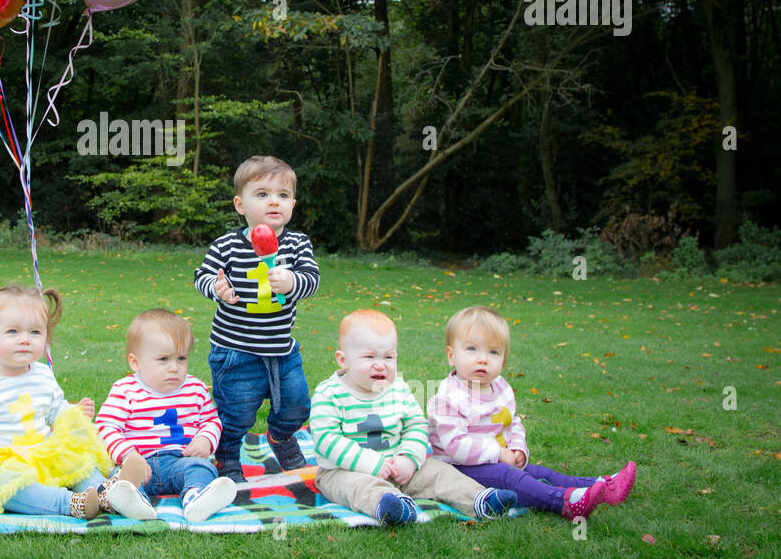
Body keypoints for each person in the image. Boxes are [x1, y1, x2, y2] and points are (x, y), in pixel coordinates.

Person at [0, 282, 145, 518]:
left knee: (77, 462)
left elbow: (55, 409)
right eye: (12, 332)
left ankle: (107, 492)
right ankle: (71, 503)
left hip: (40, 454)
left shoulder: (42, 374)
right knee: (5, 486)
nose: (25, 339)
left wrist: (73, 412)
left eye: (34, 332)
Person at [310, 309, 518, 524]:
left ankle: (478, 499)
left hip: (398, 465)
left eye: (389, 357)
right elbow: (327, 439)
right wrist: (371, 463)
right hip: (345, 470)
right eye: (369, 356)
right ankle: (391, 506)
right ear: (343, 360)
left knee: (439, 472)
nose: (380, 364)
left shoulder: (398, 388)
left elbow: (417, 425)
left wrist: (408, 458)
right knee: (357, 487)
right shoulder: (329, 394)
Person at [427, 305, 636, 518]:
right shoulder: (448, 398)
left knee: (539, 472)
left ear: (503, 359)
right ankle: (564, 502)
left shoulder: (501, 388)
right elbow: (456, 446)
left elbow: (512, 423)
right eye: (472, 349)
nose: (483, 358)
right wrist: (498, 453)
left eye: (493, 352)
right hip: (458, 468)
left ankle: (601, 486)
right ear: (451, 356)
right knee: (509, 477)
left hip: (498, 460)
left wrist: (518, 449)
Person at [193, 156, 319, 483]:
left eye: (282, 195)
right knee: (236, 411)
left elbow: (311, 278)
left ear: (292, 203)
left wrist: (292, 281)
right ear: (240, 204)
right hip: (236, 350)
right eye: (262, 194)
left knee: (297, 405)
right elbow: (202, 276)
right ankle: (228, 454)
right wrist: (216, 288)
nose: (273, 201)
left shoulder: (297, 244)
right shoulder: (228, 245)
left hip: (281, 349)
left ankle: (280, 436)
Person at [95, 309, 236, 522]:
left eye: (181, 358)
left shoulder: (195, 388)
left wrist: (204, 439)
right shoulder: (126, 390)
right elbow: (107, 425)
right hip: (140, 462)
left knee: (202, 468)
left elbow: (210, 420)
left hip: (181, 460)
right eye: (163, 359)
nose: (174, 367)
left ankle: (196, 498)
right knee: (122, 479)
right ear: (136, 362)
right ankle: (134, 502)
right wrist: (129, 455)